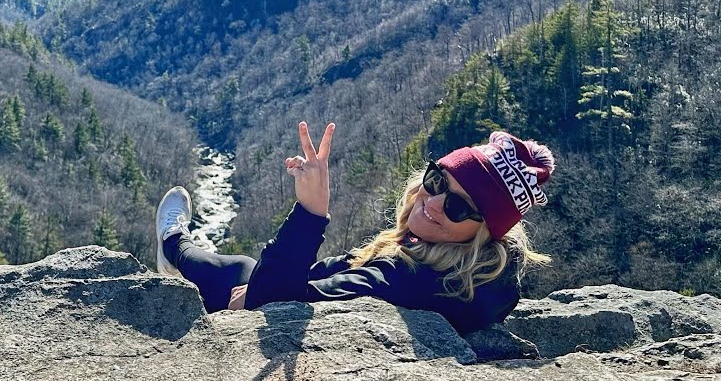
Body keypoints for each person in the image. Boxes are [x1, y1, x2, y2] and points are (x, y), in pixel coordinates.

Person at [155, 122, 554, 334]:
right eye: (437, 182)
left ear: (485, 230)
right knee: (245, 270)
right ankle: (176, 248)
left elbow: (271, 303)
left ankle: (173, 244)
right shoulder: (489, 274)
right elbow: (338, 272)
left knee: (238, 275)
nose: (433, 203)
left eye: (458, 207)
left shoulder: (407, 277)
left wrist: (310, 213)